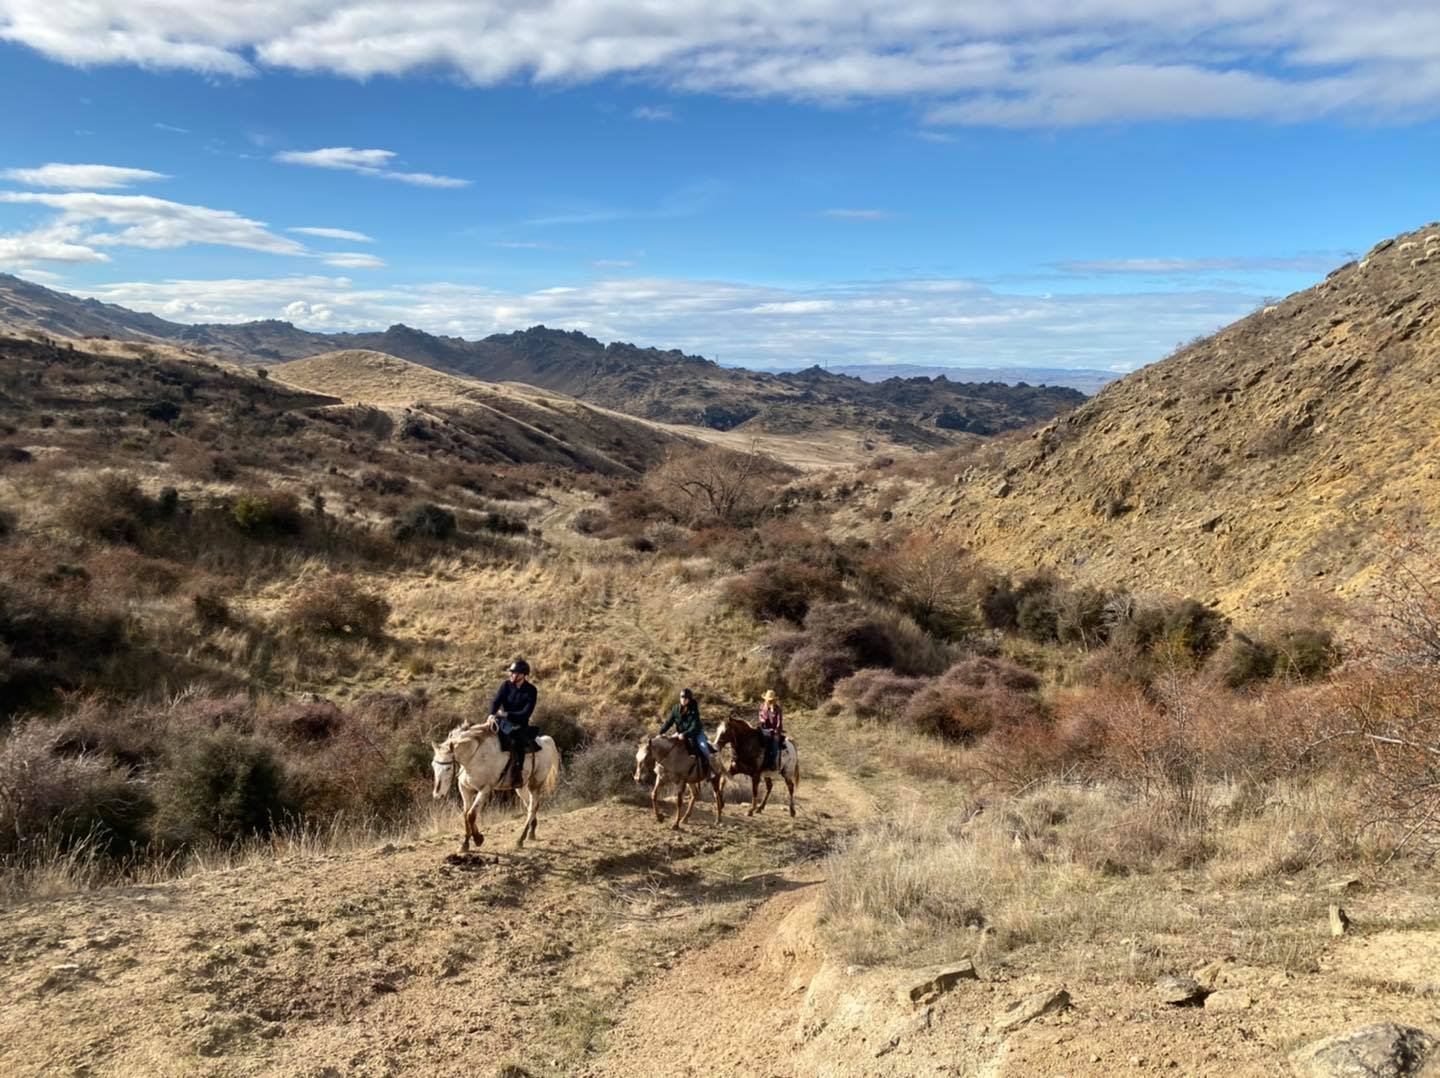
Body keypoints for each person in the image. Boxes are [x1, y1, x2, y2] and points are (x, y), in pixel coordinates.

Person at [490, 658, 538, 787]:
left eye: (514, 673)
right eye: (511, 672)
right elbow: (496, 702)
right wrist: (491, 714)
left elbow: (526, 713)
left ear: (523, 675)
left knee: (517, 742)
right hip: (503, 722)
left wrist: (507, 714)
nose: (511, 675)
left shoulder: (531, 690)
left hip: (520, 724)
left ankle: (518, 774)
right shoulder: (505, 685)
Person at [659, 688, 713, 778]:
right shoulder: (675, 708)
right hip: (681, 733)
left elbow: (694, 726)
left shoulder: (694, 710)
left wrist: (685, 734)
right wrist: (660, 732)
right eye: (682, 697)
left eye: (686, 698)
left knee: (704, 748)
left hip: (696, 733)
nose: (683, 699)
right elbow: (669, 722)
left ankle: (710, 771)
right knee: (668, 745)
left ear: (690, 699)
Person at [758, 689, 785, 770]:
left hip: (774, 731)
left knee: (774, 745)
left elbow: (779, 722)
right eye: (768, 700)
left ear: (774, 700)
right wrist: (762, 721)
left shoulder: (777, 709)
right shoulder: (762, 706)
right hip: (764, 729)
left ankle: (772, 762)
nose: (769, 701)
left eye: (771, 700)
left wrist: (776, 732)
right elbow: (761, 716)